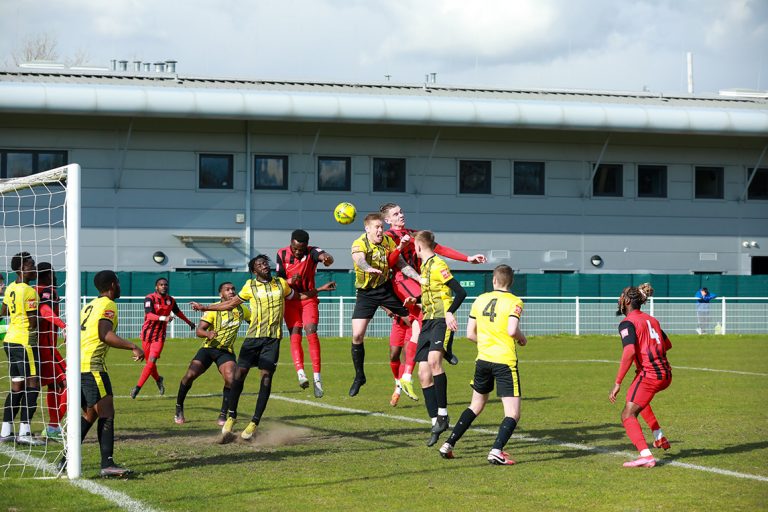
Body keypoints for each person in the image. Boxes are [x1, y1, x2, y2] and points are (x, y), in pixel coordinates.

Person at [191, 255, 331, 442]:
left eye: (265, 263)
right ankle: (231, 416)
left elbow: (298, 297)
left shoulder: (281, 284)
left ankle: (254, 422)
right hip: (252, 339)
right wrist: (205, 307)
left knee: (266, 379)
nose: (265, 266)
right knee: (238, 376)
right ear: (254, 270)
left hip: (272, 341)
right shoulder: (249, 286)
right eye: (260, 264)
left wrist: (319, 290)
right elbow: (230, 304)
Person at [380, 202, 486, 406]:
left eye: (402, 211)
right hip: (402, 283)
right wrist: (400, 247)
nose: (401, 215)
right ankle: (406, 376)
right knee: (413, 330)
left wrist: (468, 258)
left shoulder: (414, 234)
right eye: (396, 213)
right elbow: (389, 263)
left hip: (421, 283)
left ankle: (432, 358)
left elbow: (439, 248)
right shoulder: (387, 238)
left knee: (436, 310)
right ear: (387, 220)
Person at [438, 264, 526, 465]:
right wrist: (522, 338)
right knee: (512, 413)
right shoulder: (515, 301)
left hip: (483, 360)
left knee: (475, 405)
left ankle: (448, 444)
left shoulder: (480, 299)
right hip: (504, 361)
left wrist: (487, 342)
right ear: (510, 282)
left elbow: (470, 334)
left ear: (494, 280)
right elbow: (512, 330)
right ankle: (496, 450)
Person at [74, 270, 145, 476]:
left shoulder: (89, 305)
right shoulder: (108, 304)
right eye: (119, 283)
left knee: (91, 413)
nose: (120, 287)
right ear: (113, 285)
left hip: (79, 364)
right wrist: (133, 346)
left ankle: (65, 458)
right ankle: (108, 464)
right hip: (92, 366)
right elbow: (104, 334)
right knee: (107, 412)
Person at [404, 231, 467, 447]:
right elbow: (431, 292)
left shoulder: (439, 264)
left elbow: (460, 292)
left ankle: (443, 414)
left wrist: (450, 312)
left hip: (441, 320)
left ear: (419, 247)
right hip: (427, 322)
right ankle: (435, 422)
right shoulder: (424, 266)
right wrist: (416, 299)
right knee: (422, 374)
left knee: (433, 362)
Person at [348, 212, 419, 397]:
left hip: (387, 290)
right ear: (367, 229)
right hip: (366, 293)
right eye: (376, 227)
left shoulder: (388, 242)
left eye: (381, 226)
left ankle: (434, 351)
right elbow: (359, 259)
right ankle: (359, 376)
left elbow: (402, 264)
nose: (380, 230)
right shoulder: (360, 242)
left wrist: (420, 278)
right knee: (357, 335)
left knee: (416, 321)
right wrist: (367, 268)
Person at [609, 283, 673, 468]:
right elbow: (667, 344)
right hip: (665, 373)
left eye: (622, 297)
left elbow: (629, 352)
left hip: (650, 374)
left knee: (627, 414)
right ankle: (659, 437)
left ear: (628, 301)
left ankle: (646, 456)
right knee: (637, 399)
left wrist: (617, 382)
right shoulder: (652, 320)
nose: (620, 300)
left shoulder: (627, 323)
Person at [175, 282, 250, 425]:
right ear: (220, 294)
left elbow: (254, 322)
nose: (232, 291)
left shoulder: (242, 310)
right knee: (189, 376)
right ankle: (179, 406)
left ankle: (223, 414)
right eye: (227, 290)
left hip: (225, 351)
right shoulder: (212, 309)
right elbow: (199, 331)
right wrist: (207, 333)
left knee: (231, 379)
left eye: (233, 289)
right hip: (208, 349)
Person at [276, 229, 336, 398]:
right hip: (290, 300)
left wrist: (327, 259)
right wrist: (289, 281)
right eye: (295, 248)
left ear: (306, 246)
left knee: (311, 332)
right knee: (295, 334)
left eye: (301, 249)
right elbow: (279, 280)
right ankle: (301, 373)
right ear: (291, 243)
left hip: (309, 298)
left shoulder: (312, 252)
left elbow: (324, 255)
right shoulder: (281, 254)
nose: (297, 251)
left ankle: (317, 378)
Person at [1, 252, 43, 445]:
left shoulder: (10, 287)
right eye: (31, 265)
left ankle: (6, 431)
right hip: (25, 342)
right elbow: (33, 323)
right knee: (33, 384)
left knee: (17, 387)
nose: (34, 268)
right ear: (21, 269)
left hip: (9, 341)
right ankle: (25, 432)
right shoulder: (29, 291)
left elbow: (3, 312)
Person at [131, 278, 195, 399]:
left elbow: (178, 312)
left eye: (165, 285)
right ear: (156, 287)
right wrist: (163, 318)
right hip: (146, 334)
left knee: (151, 362)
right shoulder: (150, 298)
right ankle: (158, 379)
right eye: (161, 285)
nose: (164, 286)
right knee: (149, 364)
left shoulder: (170, 300)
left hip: (159, 336)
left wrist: (189, 322)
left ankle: (137, 388)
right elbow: (149, 315)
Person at [34, 262, 68, 441]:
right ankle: (54, 427)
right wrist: (64, 326)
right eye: (53, 273)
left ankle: (20, 427)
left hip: (33, 346)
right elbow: (44, 309)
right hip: (47, 347)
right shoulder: (48, 290)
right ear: (48, 275)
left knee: (53, 385)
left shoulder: (32, 289)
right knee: (69, 382)